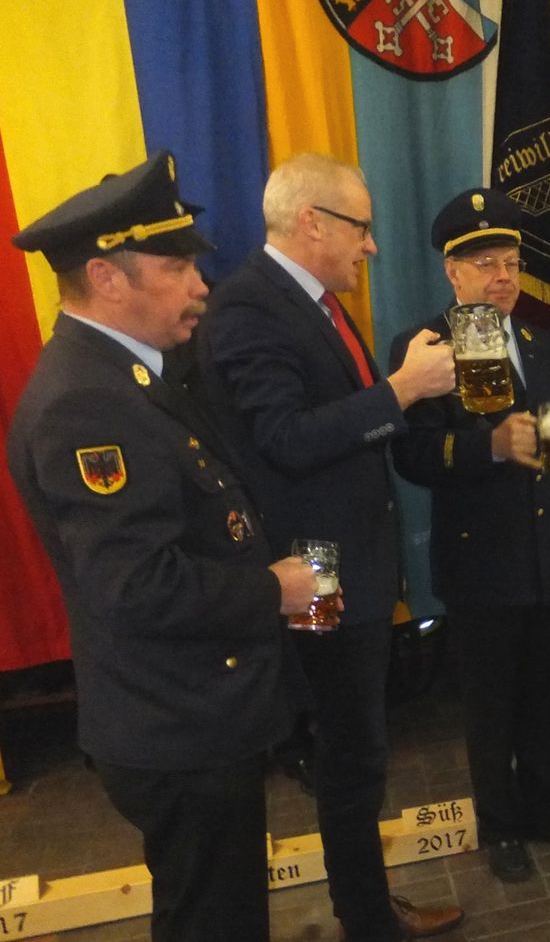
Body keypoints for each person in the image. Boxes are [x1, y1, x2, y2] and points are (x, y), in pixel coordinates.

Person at [6, 152, 318, 942]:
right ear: (108, 278)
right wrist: (271, 590)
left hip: (193, 713)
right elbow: (137, 585)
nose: (200, 285)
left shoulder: (126, 376)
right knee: (213, 921)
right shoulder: (87, 402)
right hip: (178, 727)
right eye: (176, 266)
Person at [195, 152, 463, 941]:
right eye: (361, 227)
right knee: (349, 747)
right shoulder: (250, 306)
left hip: (346, 558)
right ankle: (367, 917)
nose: (371, 246)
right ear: (311, 221)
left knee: (357, 745)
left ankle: (365, 904)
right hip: (315, 570)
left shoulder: (308, 299)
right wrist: (402, 392)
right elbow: (283, 439)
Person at [389, 188, 550, 883]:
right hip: (482, 560)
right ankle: (502, 823)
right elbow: (414, 458)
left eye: (510, 262)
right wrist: (488, 448)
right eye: (485, 264)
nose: (502, 277)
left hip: (546, 557)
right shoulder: (426, 347)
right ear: (453, 272)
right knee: (492, 704)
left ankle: (545, 804)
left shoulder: (539, 343)